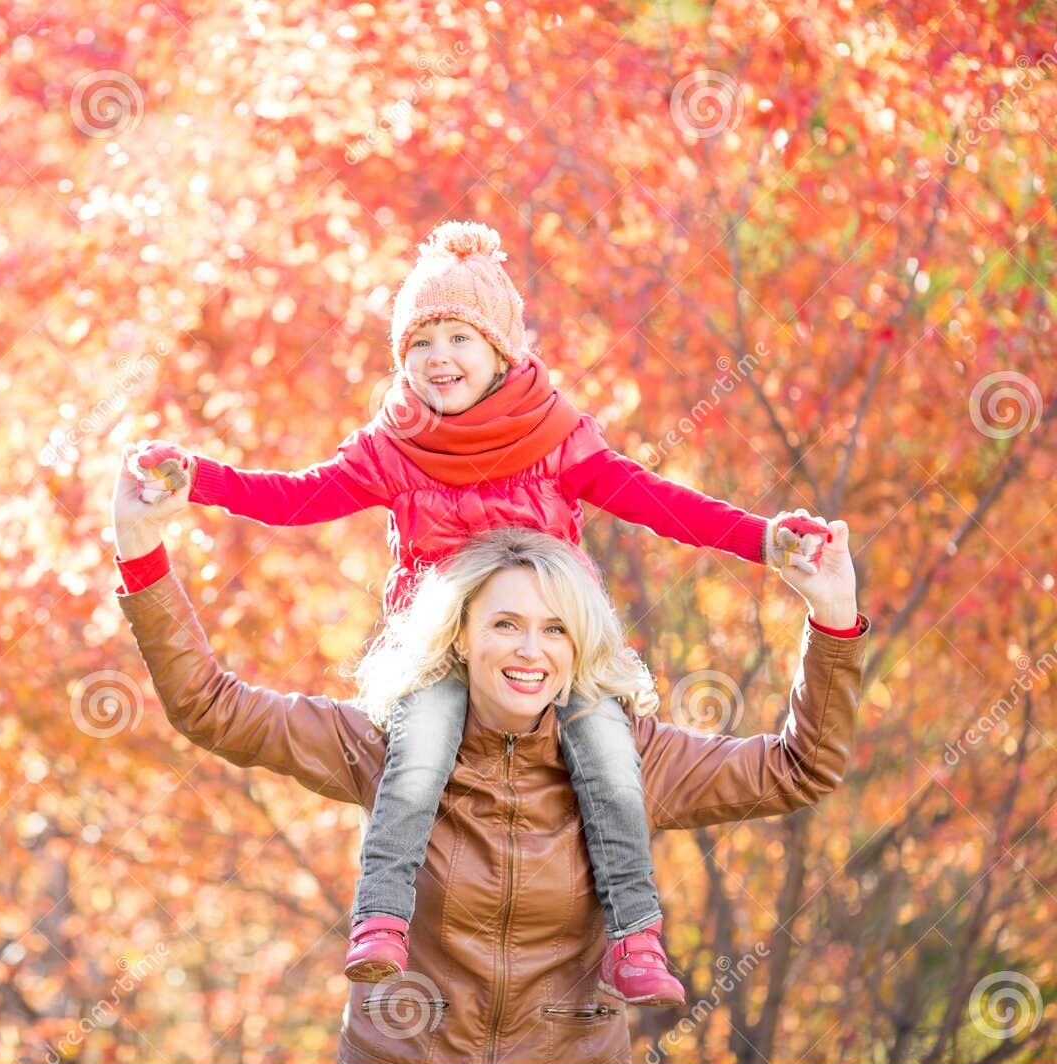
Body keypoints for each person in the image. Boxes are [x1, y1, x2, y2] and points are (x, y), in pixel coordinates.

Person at [127, 220, 832, 1004]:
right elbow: (297, 498)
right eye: (420, 342)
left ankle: (634, 934)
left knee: (606, 751)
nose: (438, 359)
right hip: (441, 661)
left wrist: (763, 540)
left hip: (547, 658)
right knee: (420, 746)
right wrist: (202, 481)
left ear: (501, 349)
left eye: (458, 336)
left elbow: (661, 505)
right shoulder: (394, 447)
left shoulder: (558, 438)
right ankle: (383, 918)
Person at [110, 448, 867, 1064]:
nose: (531, 650)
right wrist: (141, 549)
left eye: (555, 629)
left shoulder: (627, 756)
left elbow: (801, 767)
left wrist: (832, 622)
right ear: (461, 636)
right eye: (505, 623)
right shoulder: (388, 741)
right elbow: (211, 706)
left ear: (580, 646)